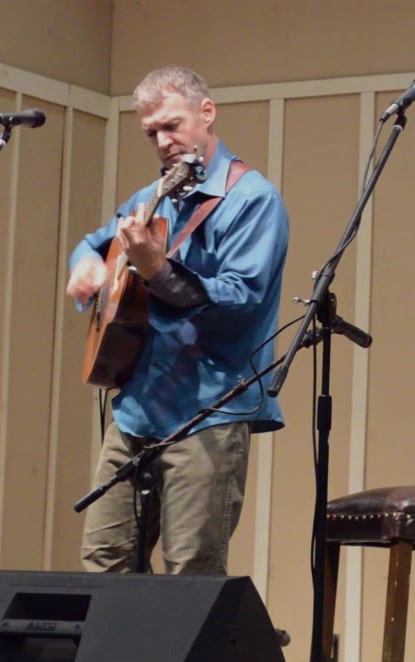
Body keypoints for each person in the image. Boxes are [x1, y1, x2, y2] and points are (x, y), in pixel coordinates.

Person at [66, 66, 289, 575]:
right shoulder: (152, 198)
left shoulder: (252, 200)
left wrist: (157, 271)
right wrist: (85, 262)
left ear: (206, 114)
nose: (164, 141)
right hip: (137, 407)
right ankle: (118, 659)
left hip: (208, 409)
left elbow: (240, 301)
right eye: (152, 133)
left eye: (172, 126)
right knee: (105, 559)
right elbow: (96, 242)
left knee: (189, 572)